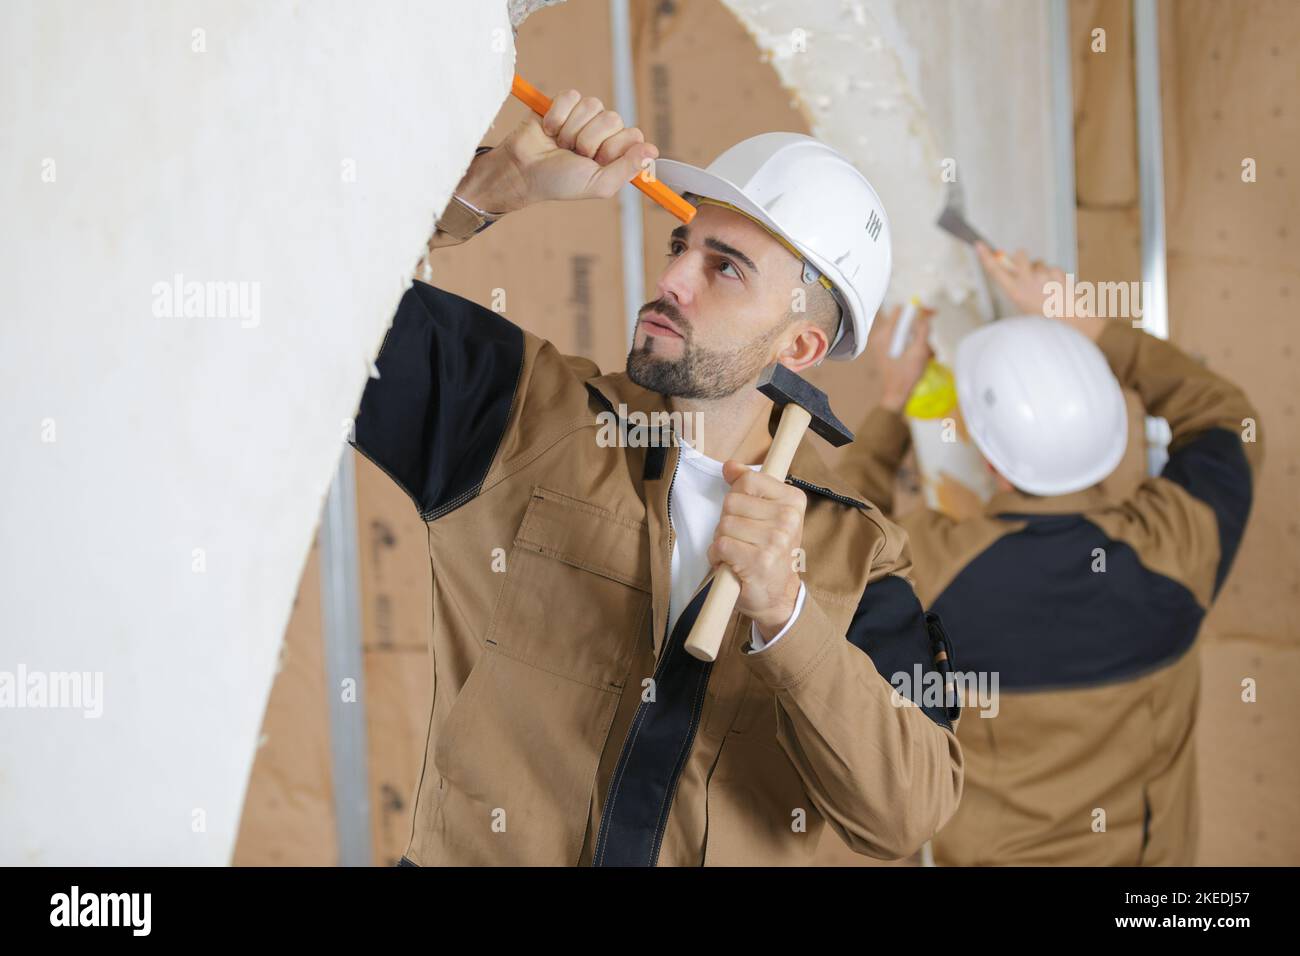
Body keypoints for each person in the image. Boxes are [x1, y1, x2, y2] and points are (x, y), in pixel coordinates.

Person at [352, 89, 962, 866]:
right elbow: (297, 306)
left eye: (726, 269)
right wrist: (489, 188)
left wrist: (788, 615)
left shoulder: (856, 559)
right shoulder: (521, 418)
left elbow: (906, 813)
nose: (673, 280)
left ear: (800, 348)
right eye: (682, 246)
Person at [840, 246, 1262, 864]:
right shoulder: (1177, 549)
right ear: (1114, 423)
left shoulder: (931, 572)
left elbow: (838, 536)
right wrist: (1084, 319)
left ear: (989, 459)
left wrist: (894, 400)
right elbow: (1224, 416)